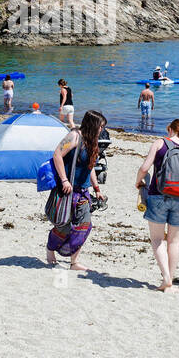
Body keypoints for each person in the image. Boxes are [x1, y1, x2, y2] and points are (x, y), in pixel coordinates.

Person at [135, 119, 179, 292]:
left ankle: (166, 278)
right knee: (174, 242)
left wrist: (138, 181)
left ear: (169, 129)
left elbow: (145, 168)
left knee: (157, 239)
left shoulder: (160, 143)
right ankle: (170, 282)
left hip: (158, 195)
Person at [46, 109, 107, 271]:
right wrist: (64, 180)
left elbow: (90, 167)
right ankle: (50, 250)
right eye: (100, 127)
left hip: (83, 192)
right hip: (67, 190)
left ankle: (74, 262)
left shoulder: (91, 141)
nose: (101, 130)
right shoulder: (74, 136)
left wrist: (97, 189)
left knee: (84, 225)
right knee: (63, 227)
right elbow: (57, 155)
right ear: (93, 125)